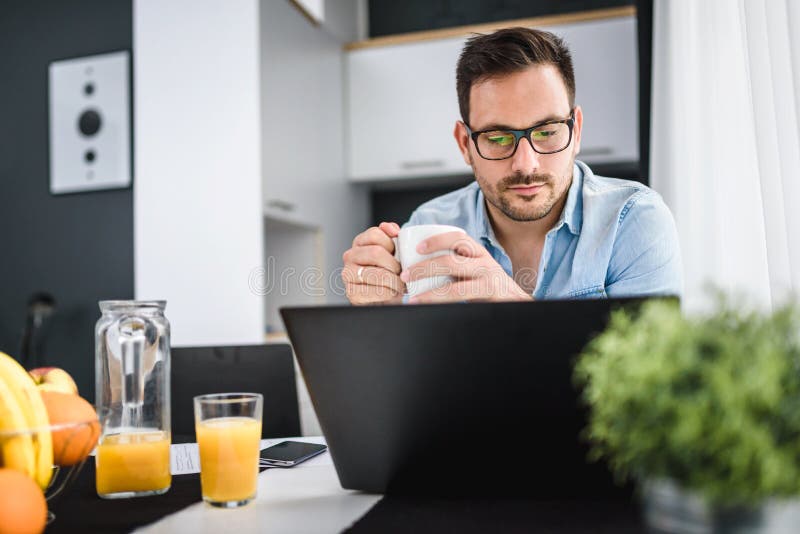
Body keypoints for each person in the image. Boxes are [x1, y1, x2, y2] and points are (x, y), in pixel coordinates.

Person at [342, 27, 682, 305]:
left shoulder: (634, 221)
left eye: (547, 132)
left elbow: (649, 385)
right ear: (465, 144)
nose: (526, 164)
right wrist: (379, 312)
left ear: (576, 131)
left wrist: (508, 300)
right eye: (498, 138)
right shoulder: (429, 226)